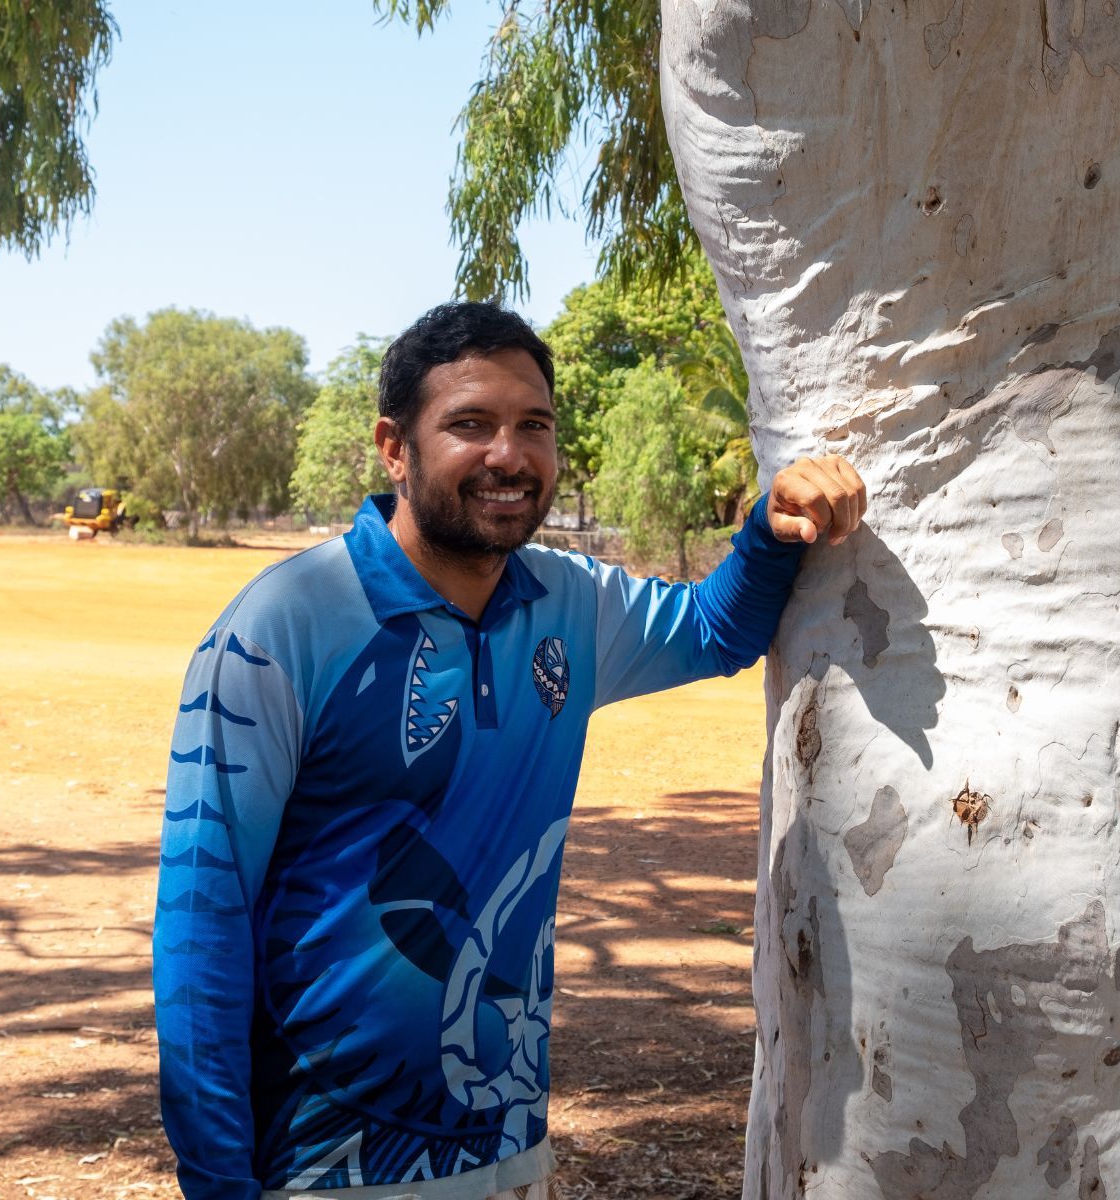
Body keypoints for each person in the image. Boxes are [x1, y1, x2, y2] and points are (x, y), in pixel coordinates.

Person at [152, 300, 867, 1200]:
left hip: (508, 1146)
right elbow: (203, 917)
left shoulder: (567, 603)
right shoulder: (286, 623)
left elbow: (714, 630)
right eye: (470, 425)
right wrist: (217, 1180)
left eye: (535, 426)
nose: (510, 455)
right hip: (325, 1163)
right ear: (393, 446)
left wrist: (771, 526)